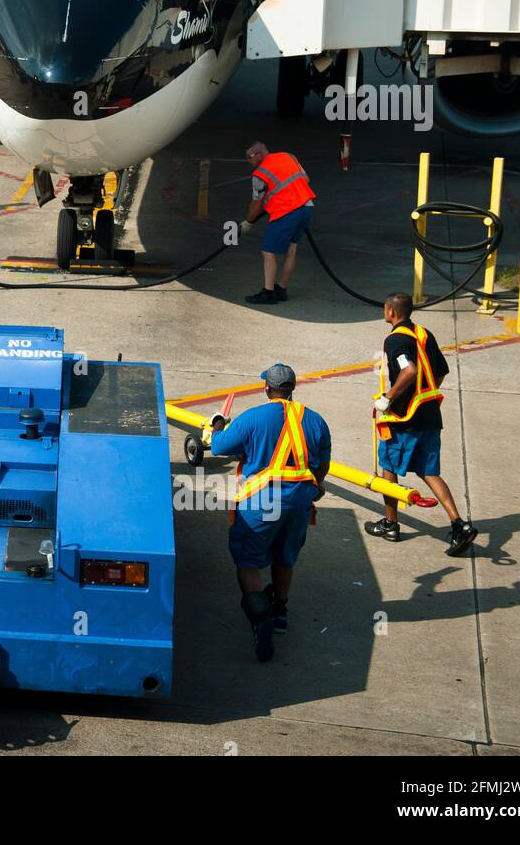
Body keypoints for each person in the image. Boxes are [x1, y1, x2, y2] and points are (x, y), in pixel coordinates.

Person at [207, 363, 331, 662]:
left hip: (261, 502)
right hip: (300, 500)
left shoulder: (253, 418)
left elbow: (218, 448)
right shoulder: (315, 420)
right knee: (285, 556)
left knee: (248, 563)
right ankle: (280, 611)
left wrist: (218, 426)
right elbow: (322, 466)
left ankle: (259, 619)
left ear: (267, 389)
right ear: (292, 388)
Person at [365, 293, 479, 555]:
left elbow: (409, 371)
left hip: (405, 419)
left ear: (391, 312)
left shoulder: (395, 340)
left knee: (388, 465)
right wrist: (424, 396)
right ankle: (458, 524)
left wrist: (388, 398)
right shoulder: (424, 333)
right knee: (429, 471)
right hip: (429, 415)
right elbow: (439, 371)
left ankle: (391, 524)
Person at [240, 140, 314, 304]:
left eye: (249, 157)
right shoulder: (289, 156)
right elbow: (306, 179)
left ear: (258, 155)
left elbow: (256, 204)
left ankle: (268, 293)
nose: (249, 162)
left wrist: (248, 222)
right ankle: (281, 289)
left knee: (268, 252)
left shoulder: (260, 174)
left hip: (286, 212)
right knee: (291, 249)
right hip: (306, 207)